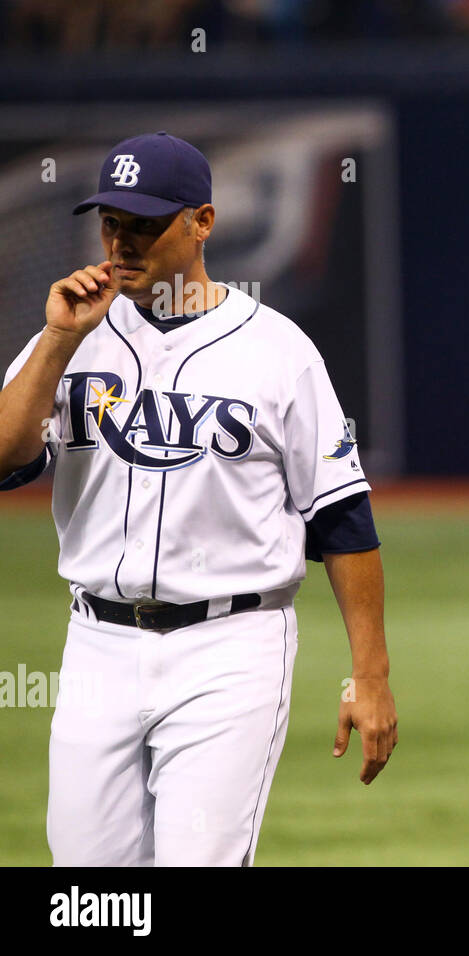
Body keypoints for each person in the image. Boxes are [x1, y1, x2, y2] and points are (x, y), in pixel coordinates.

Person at [0, 132, 398, 866]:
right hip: (97, 643)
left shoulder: (277, 349)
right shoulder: (72, 335)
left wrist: (368, 676)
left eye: (146, 224)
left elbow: (343, 518)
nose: (123, 241)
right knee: (89, 888)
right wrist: (57, 341)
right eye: (112, 222)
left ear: (203, 222)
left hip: (231, 646)